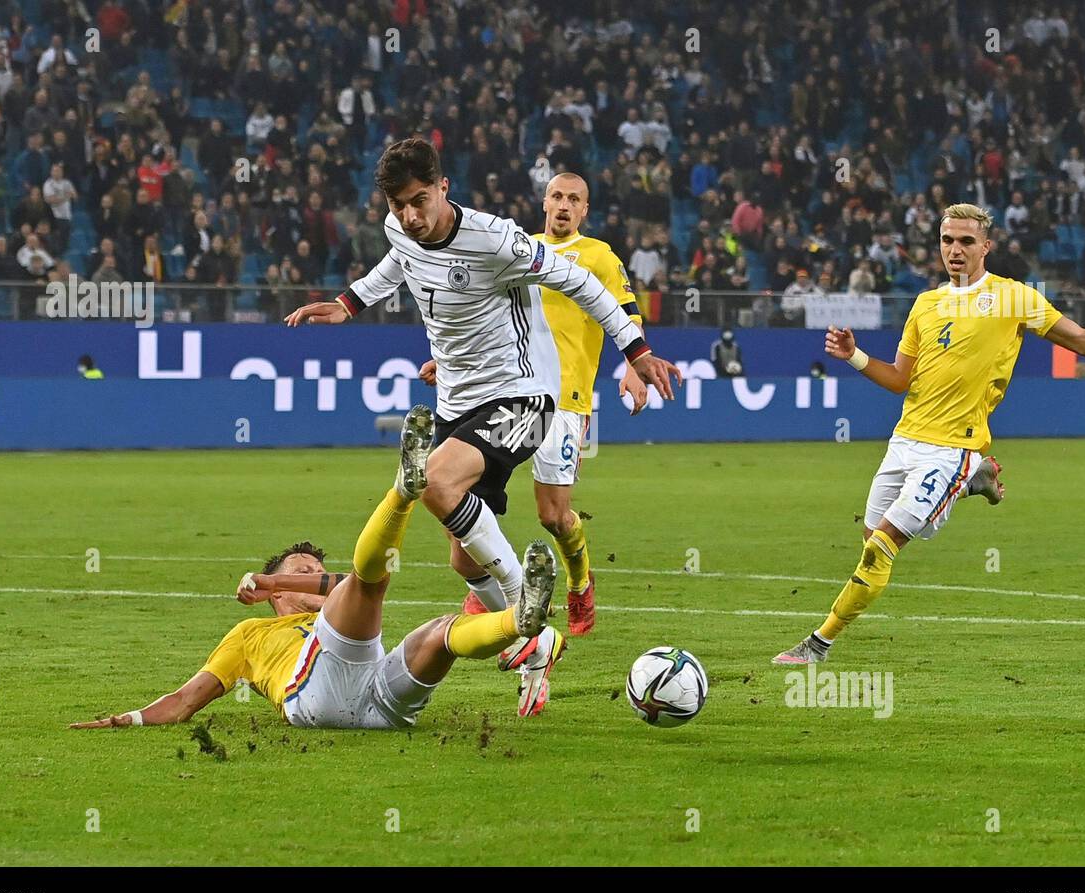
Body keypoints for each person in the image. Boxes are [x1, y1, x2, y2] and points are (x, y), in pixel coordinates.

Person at [283, 139, 678, 695]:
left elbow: (584, 285)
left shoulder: (496, 239)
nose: (411, 216)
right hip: (458, 405)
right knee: (465, 564)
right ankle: (537, 641)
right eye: (398, 205)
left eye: (421, 200)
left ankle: (526, 610)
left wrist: (637, 353)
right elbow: (397, 261)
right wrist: (349, 302)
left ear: (444, 187)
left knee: (435, 482)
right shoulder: (401, 228)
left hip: (524, 396)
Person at [772, 204, 1085, 664]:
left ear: (986, 247)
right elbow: (899, 380)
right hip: (904, 441)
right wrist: (854, 356)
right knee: (870, 541)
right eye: (948, 240)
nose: (955, 249)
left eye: (967, 241)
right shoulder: (925, 304)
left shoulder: (1014, 298)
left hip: (953, 447)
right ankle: (973, 483)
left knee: (880, 551)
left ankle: (817, 643)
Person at [70, 406, 564, 730]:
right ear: (273, 599)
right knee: (371, 581)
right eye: (297, 570)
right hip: (314, 697)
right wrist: (127, 720)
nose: (308, 577)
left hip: (380, 701)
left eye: (311, 570)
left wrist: (275, 579)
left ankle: (519, 621)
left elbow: (335, 586)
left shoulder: (330, 606)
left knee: (442, 632)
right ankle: (404, 489)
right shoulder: (249, 636)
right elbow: (185, 700)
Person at [420, 172, 668, 640]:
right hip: (506, 393)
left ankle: (578, 581)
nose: (563, 204)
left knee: (553, 515)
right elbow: (482, 310)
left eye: (574, 199)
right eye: (557, 195)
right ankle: (494, 578)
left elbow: (624, 309)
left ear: (584, 211)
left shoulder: (599, 256)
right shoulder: (517, 246)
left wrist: (634, 366)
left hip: (568, 398)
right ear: (543, 201)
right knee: (471, 485)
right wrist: (447, 359)